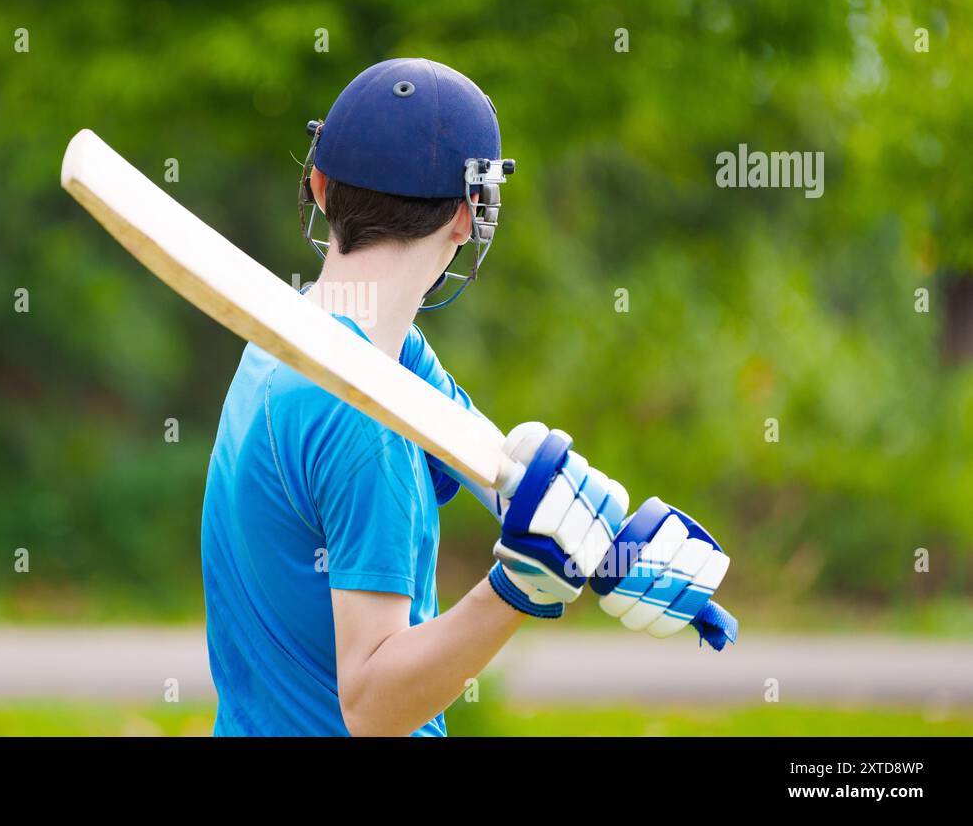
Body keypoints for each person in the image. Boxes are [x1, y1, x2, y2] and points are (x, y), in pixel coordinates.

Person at [200, 58, 734, 737]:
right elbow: (371, 702)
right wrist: (518, 590)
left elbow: (496, 463)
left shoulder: (300, 339)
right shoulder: (365, 420)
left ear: (319, 183)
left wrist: (612, 551)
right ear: (468, 215)